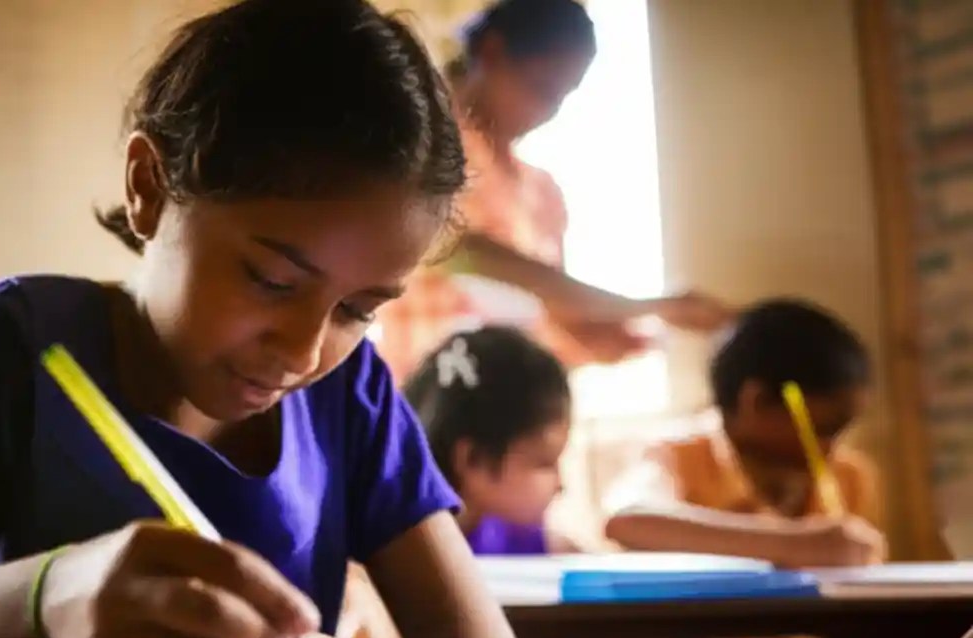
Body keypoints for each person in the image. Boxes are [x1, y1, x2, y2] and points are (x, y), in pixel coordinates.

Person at [0, 0, 517, 638]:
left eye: (358, 309)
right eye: (272, 279)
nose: (305, 350)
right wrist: (47, 605)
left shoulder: (351, 400)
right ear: (149, 186)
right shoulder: (18, 350)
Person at [376, 0, 732, 379]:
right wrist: (641, 306)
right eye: (541, 87)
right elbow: (457, 249)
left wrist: (602, 336)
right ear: (493, 52)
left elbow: (549, 311)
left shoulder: (542, 195)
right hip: (424, 397)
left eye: (562, 97)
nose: (548, 110)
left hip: (505, 402)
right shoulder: (417, 149)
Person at [603, 299, 888, 568]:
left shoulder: (849, 476)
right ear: (757, 401)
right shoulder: (677, 457)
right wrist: (797, 544)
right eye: (822, 430)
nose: (830, 448)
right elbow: (627, 520)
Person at [404, 326, 574, 555]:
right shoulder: (402, 553)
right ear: (473, 459)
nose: (561, 485)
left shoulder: (514, 536)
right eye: (544, 462)